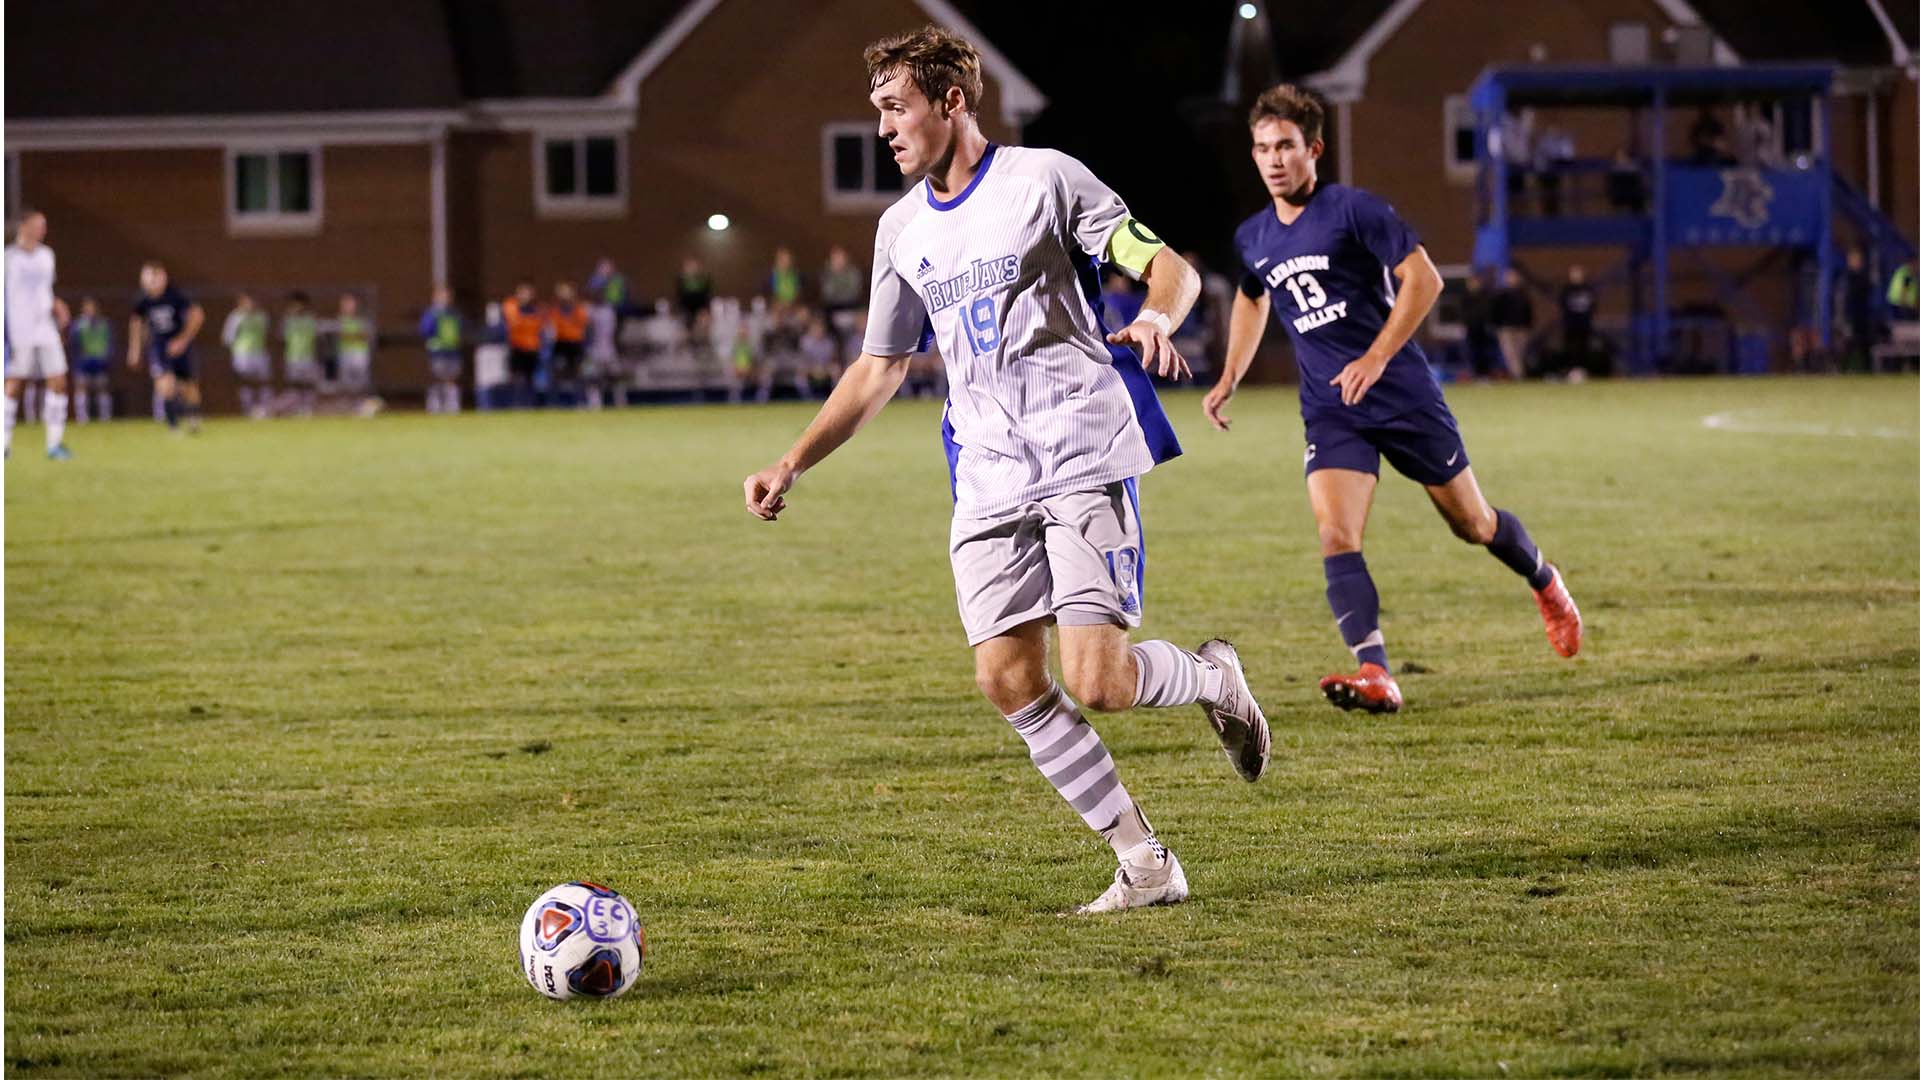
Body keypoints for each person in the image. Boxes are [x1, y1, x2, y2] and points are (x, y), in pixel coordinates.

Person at [743, 26, 1269, 916]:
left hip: (1080, 452)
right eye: (877, 112)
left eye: (896, 108)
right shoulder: (900, 230)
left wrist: (1157, 319)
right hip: (986, 474)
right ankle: (1146, 864)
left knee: (1100, 682)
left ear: (952, 102)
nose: (884, 129)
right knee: (1007, 679)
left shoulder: (1045, 180)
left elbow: (1167, 266)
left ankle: (1214, 677)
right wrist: (793, 460)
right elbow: (880, 366)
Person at [1203, 83, 1581, 715]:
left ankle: (1546, 581)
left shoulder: (1354, 210)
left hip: (1402, 394)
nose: (1274, 159)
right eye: (1263, 147)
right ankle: (1375, 670)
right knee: (1335, 533)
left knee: (1474, 524)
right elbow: (1251, 294)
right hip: (1331, 407)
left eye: (1286, 146)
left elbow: (1424, 280)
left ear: (1314, 149)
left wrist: (1374, 358)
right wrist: (1231, 374)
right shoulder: (1254, 236)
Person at [4, 210, 74, 459]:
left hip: (45, 327)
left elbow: (44, 289)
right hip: (17, 329)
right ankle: (3, 444)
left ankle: (54, 444)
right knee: (13, 385)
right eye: (37, 225)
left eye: (44, 225)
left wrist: (57, 304)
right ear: (23, 226)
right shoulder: (8, 258)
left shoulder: (47, 255)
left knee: (59, 381)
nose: (42, 230)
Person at [128, 261, 204, 435]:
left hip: (180, 345)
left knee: (188, 387)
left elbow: (197, 315)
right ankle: (173, 425)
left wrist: (182, 340)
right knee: (165, 385)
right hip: (159, 346)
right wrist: (135, 349)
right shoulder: (143, 300)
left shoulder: (176, 295)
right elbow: (136, 322)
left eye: (154, 277)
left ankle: (194, 419)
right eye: (147, 277)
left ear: (163, 277)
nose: (150, 281)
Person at [223, 292, 272, 418]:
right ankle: (247, 408)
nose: (250, 305)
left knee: (264, 381)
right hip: (242, 353)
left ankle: (264, 408)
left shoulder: (262, 316)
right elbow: (227, 338)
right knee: (245, 382)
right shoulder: (235, 317)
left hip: (260, 352)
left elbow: (267, 333)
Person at [69, 296, 113, 424]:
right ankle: (82, 418)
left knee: (102, 387)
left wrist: (107, 357)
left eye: (93, 307)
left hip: (100, 361)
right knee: (81, 386)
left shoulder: (105, 324)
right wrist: (78, 360)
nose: (91, 310)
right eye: (88, 307)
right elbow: (73, 344)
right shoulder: (78, 325)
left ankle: (105, 417)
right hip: (83, 361)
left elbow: (110, 343)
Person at [419, 285, 464, 414]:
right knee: (437, 378)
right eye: (441, 296)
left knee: (451, 379)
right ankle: (435, 406)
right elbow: (424, 330)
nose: (444, 299)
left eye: (446, 296)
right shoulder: (431, 313)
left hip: (452, 352)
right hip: (437, 352)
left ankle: (452, 406)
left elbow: (460, 329)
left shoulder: (454, 313)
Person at [546, 282, 590, 405]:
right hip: (560, 344)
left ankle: (580, 402)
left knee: (578, 375)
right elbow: (550, 329)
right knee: (556, 374)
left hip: (575, 344)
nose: (564, 296)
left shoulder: (579, 310)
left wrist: (586, 346)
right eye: (561, 293)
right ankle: (553, 403)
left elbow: (586, 328)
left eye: (567, 292)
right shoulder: (554, 311)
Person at [501, 282, 544, 407]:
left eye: (528, 293)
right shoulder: (511, 305)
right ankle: (515, 404)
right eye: (523, 292)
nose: (526, 296)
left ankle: (530, 405)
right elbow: (514, 322)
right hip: (517, 347)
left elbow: (540, 326)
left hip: (532, 348)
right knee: (516, 378)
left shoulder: (536, 309)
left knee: (530, 378)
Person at [281, 292, 321, 416]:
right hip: (292, 357)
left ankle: (308, 409)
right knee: (294, 386)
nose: (297, 308)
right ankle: (294, 408)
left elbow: (317, 338)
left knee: (309, 384)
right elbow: (282, 340)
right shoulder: (287, 321)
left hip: (308, 357)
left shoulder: (311, 319)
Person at [1491, 267, 1533, 379]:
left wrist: (1528, 325)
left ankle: (1519, 374)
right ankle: (1518, 375)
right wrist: (1497, 325)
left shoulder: (1523, 294)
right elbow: (1495, 311)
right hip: (1506, 328)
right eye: (1509, 276)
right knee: (1510, 353)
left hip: (1521, 328)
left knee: (1520, 353)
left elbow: (1528, 311)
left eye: (1513, 276)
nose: (1511, 279)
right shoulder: (1502, 294)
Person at [1557, 264, 1597, 378]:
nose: (1576, 276)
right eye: (1574, 273)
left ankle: (1583, 371)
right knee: (1570, 348)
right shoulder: (1567, 289)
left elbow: (1593, 306)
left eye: (1578, 273)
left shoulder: (1588, 289)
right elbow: (1562, 305)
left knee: (1584, 348)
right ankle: (1570, 371)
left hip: (1584, 324)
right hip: (1570, 324)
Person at [334, 294, 373, 395]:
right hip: (345, 352)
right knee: (346, 381)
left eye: (350, 304)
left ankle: (362, 400)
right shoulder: (340, 320)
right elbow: (339, 335)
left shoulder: (362, 320)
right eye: (345, 305)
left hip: (359, 353)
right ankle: (349, 401)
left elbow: (365, 336)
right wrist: (354, 335)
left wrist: (351, 336)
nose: (348, 307)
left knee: (361, 380)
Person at [675, 258, 712, 325]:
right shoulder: (681, 280)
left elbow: (706, 296)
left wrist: (705, 309)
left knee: (702, 322)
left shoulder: (703, 280)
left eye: (693, 266)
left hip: (701, 308)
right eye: (688, 266)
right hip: (686, 309)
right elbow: (680, 296)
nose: (691, 269)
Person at [767, 247, 803, 313]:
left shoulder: (794, 275)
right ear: (777, 260)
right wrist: (781, 304)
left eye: (788, 259)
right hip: (778, 307)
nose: (786, 262)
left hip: (793, 306)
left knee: (804, 313)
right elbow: (772, 296)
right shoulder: (773, 275)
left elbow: (798, 294)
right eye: (782, 259)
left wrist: (791, 304)